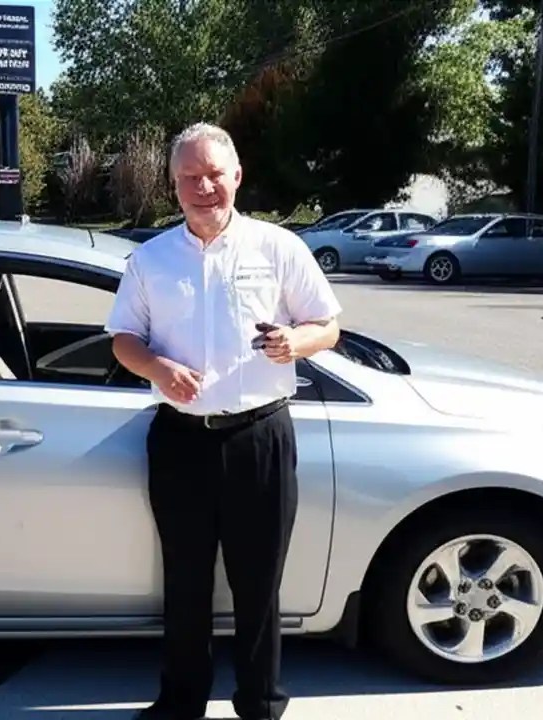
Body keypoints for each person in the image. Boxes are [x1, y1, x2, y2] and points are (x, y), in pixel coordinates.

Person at [104, 122, 343, 720]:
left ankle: (260, 704)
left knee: (258, 585)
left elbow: (329, 326)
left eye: (214, 173)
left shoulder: (279, 247)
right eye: (190, 176)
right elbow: (122, 339)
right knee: (184, 584)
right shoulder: (151, 259)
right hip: (181, 442)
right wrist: (157, 368)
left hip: (259, 437)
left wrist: (299, 342)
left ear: (237, 176)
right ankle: (181, 703)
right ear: (173, 185)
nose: (203, 186)